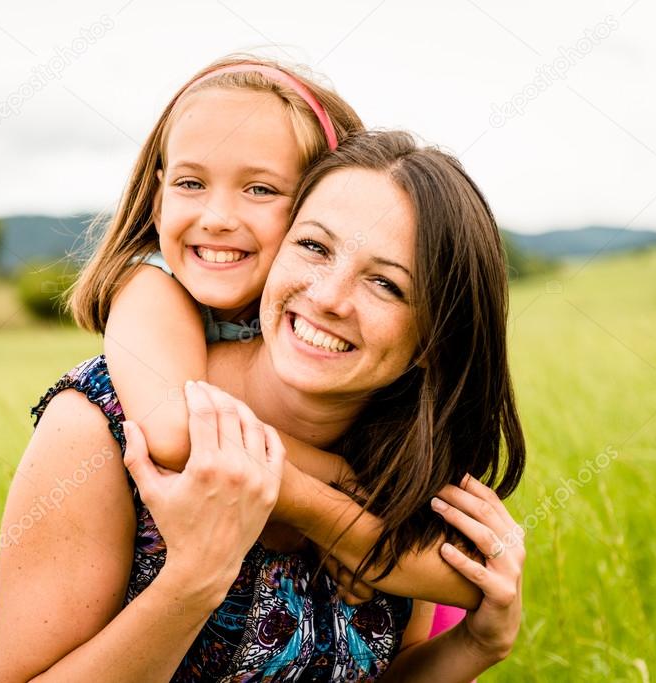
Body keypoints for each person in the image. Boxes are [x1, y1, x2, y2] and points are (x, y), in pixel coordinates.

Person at [0, 130, 526, 681]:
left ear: (435, 341)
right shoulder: (107, 426)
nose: (326, 297)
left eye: (386, 284)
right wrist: (195, 579)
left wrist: (474, 646)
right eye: (314, 247)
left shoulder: (397, 454)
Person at [66, 55, 482, 610]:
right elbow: (173, 428)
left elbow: (465, 580)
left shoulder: (342, 348)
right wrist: (335, 486)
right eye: (191, 182)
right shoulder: (151, 285)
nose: (216, 216)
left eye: (260, 190)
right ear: (159, 192)